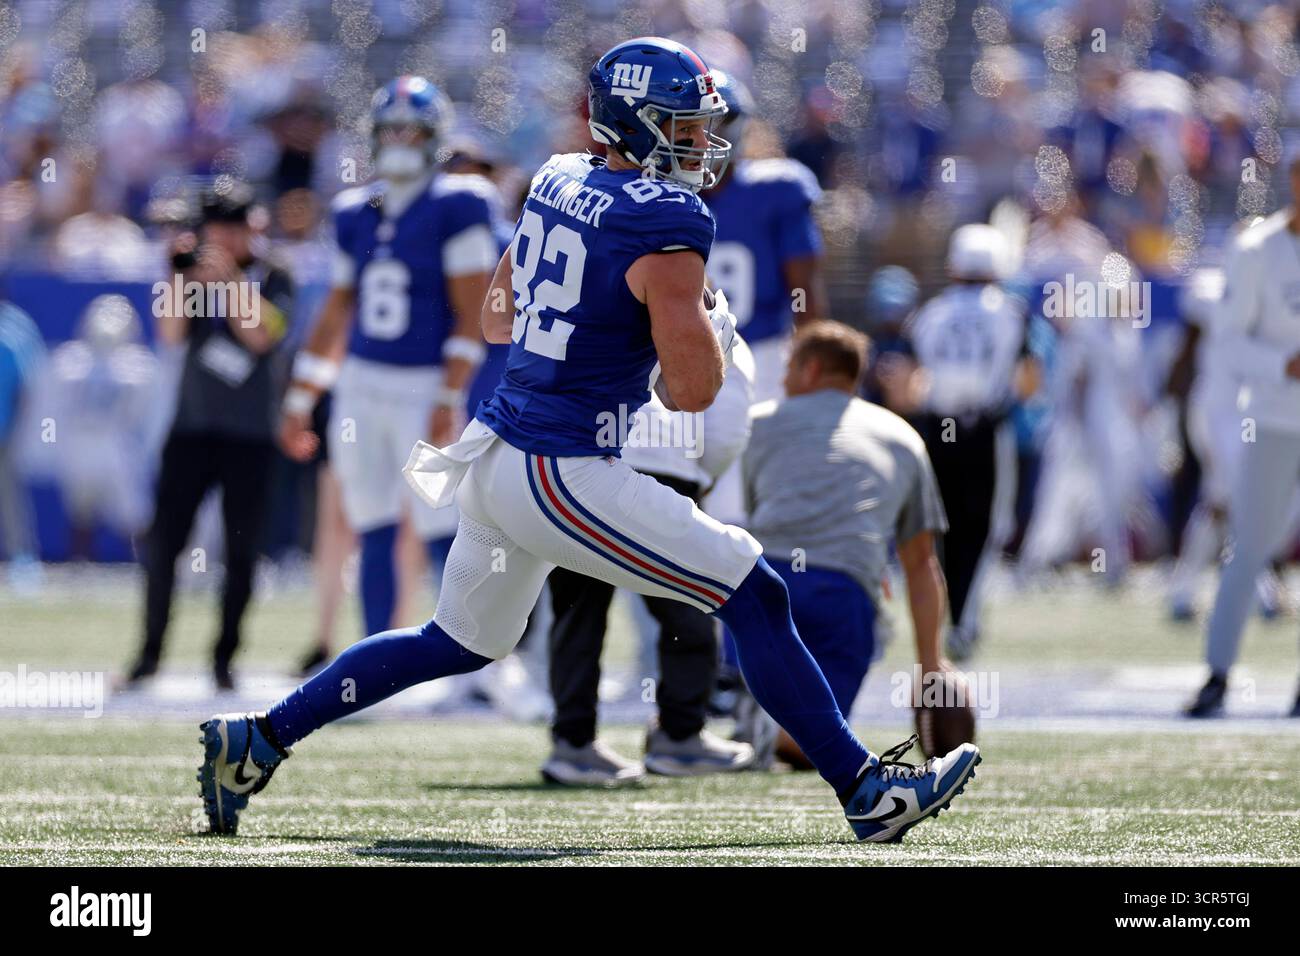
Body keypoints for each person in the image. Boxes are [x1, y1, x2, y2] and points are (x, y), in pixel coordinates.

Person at [196, 37, 980, 845]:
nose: (697, 145)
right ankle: (865, 791)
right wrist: (703, 321)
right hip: (560, 467)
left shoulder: (558, 176)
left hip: (497, 452)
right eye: (679, 128)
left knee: (456, 640)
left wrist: (620, 326)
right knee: (755, 588)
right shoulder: (672, 219)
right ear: (636, 126)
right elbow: (692, 393)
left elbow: (502, 315)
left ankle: (258, 737)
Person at [278, 76, 500, 638]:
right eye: (390, 129)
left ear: (432, 138)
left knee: (440, 522)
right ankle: (375, 656)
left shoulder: (459, 203)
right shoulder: (356, 210)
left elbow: (471, 310)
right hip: (359, 384)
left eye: (411, 129)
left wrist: (450, 392)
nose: (399, 139)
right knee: (371, 520)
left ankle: (472, 657)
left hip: (423, 385)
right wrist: (303, 395)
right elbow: (335, 313)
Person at [542, 333, 757, 785]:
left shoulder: (593, 296)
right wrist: (700, 476)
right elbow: (725, 430)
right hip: (663, 472)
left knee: (577, 612)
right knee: (688, 606)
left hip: (577, 461)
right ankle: (679, 733)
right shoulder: (711, 316)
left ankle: (573, 742)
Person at [737, 320, 953, 769]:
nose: (782, 379)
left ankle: (735, 708)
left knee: (754, 652)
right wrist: (932, 666)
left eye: (789, 367)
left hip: (761, 581)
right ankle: (770, 726)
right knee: (811, 740)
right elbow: (921, 564)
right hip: (846, 592)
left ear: (811, 369)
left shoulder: (754, 423)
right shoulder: (902, 437)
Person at [126, 180, 295, 690]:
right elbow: (171, 336)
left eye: (229, 227)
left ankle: (224, 659)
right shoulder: (192, 275)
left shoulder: (275, 274)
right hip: (192, 428)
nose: (219, 238)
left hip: (250, 434)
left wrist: (229, 282)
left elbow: (263, 336)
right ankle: (149, 654)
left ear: (250, 228)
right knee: (163, 545)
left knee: (241, 551)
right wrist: (176, 277)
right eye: (213, 227)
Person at [1185, 163, 1300, 718]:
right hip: (1275, 417)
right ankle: (1218, 674)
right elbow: (1228, 346)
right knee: (1249, 544)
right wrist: (1286, 364)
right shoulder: (1257, 250)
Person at [905, 224, 1027, 659]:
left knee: (942, 526)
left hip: (936, 428)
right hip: (984, 430)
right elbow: (1029, 378)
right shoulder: (1011, 310)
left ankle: (939, 619)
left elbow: (911, 375)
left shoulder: (931, 312)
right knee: (985, 528)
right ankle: (966, 623)